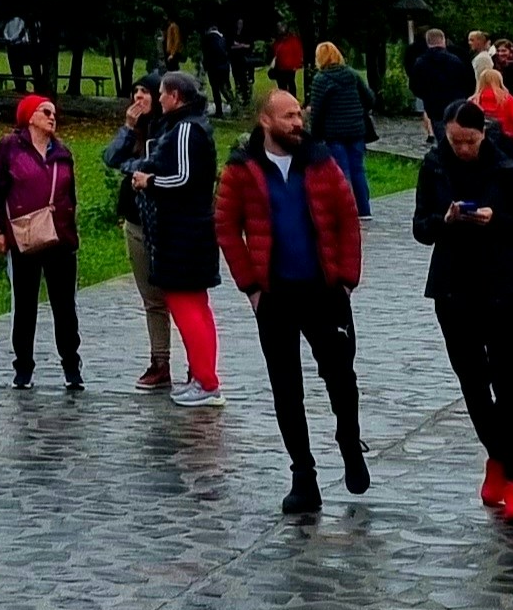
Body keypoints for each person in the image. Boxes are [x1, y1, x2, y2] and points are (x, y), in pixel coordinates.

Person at [216, 85, 371, 514]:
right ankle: (303, 474)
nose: (298, 122)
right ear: (265, 121)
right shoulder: (241, 169)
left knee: (341, 377)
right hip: (276, 295)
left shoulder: (321, 162)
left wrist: (346, 280)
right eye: (288, 116)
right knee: (287, 388)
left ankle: (348, 442)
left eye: (299, 115)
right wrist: (250, 287)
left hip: (325, 290)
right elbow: (226, 227)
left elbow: (347, 218)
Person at [413, 100, 513, 520]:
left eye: (470, 140)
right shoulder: (433, 167)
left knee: (508, 383)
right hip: (453, 289)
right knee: (472, 381)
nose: (463, 148)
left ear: (483, 133)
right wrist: (446, 218)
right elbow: (421, 228)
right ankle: (497, 457)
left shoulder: (505, 168)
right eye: (455, 140)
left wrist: (494, 218)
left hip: (504, 289)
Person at [0, 91, 83, 391]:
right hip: (25, 238)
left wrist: (69, 226)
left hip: (60, 239)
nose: (52, 117)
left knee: (64, 306)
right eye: (45, 112)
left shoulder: (63, 152)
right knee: (25, 306)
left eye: (53, 113)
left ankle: (71, 366)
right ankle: (23, 367)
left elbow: (71, 195)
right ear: (28, 117)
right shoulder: (10, 148)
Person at [136, 69, 224, 406]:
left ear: (176, 97)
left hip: (185, 229)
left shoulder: (186, 129)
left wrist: (150, 182)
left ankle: (206, 381)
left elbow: (186, 178)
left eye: (162, 93)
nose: (158, 99)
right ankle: (205, 377)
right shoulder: (187, 125)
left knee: (187, 305)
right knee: (195, 305)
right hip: (188, 228)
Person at [104, 85, 177, 390]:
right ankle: (160, 362)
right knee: (152, 299)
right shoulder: (135, 131)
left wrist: (133, 167)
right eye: (135, 92)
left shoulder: (172, 130)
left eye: (145, 91)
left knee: (180, 297)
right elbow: (110, 158)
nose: (138, 97)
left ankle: (201, 366)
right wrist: (127, 127)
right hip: (136, 222)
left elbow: (157, 167)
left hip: (168, 223)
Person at [303, 42, 375, 229]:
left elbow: (317, 111)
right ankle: (364, 211)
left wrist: (315, 136)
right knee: (358, 169)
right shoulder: (352, 75)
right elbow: (369, 98)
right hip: (356, 130)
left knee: (342, 172)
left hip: (334, 132)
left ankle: (346, 211)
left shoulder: (321, 79)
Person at [407, 26, 466, 147]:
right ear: (443, 40)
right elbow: (466, 81)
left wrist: (426, 96)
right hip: (455, 103)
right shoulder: (455, 60)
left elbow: (414, 86)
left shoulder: (421, 62)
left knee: (441, 139)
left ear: (428, 42)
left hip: (434, 106)